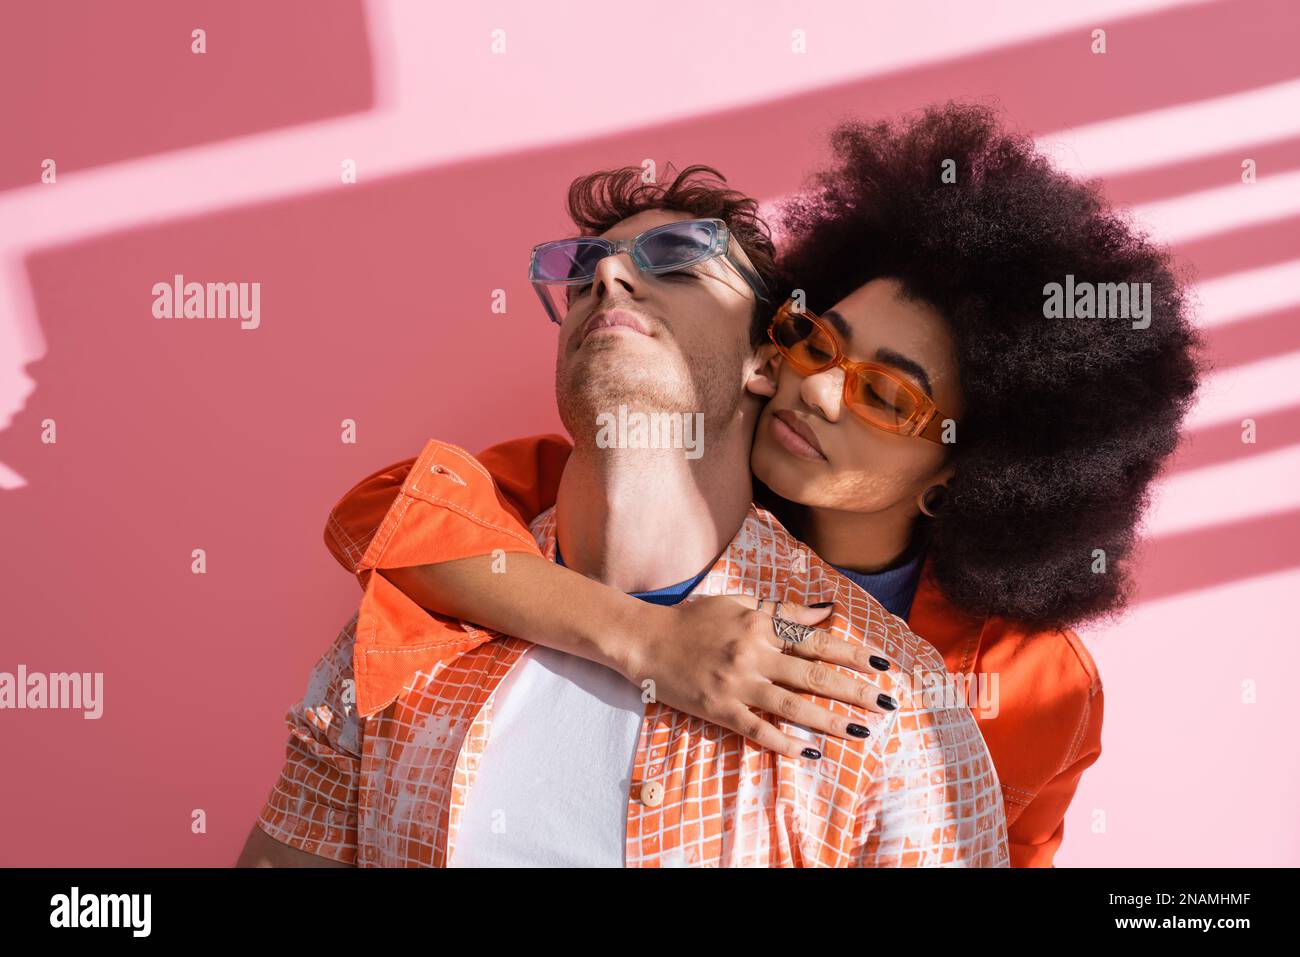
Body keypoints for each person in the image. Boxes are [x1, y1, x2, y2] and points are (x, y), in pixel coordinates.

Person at [312, 103, 1203, 866]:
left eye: (886, 395)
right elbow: (395, 520)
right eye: (817, 341)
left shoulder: (1030, 683)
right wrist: (651, 641)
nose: (809, 385)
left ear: (964, 474)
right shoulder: (668, 487)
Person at [237, 160, 1010, 867]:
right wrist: (647, 637)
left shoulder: (889, 701)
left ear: (764, 362)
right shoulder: (411, 629)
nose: (606, 274)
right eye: (581, 274)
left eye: (676, 260)